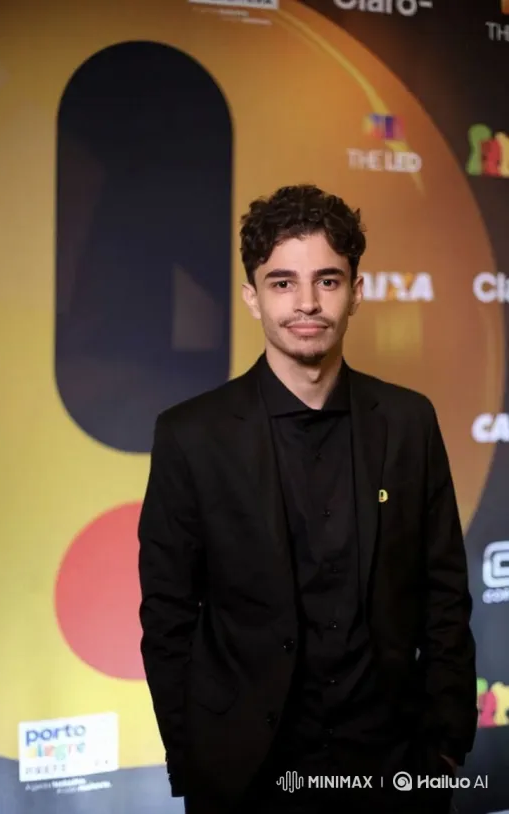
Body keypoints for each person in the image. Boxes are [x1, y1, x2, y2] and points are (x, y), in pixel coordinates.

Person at [137, 184, 477, 814]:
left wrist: (447, 750)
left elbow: (445, 594)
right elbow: (168, 614)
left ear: (356, 292)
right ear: (252, 296)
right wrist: (193, 759)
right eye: (283, 282)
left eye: (327, 280)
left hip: (395, 769)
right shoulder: (190, 435)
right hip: (246, 775)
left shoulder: (408, 422)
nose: (308, 303)